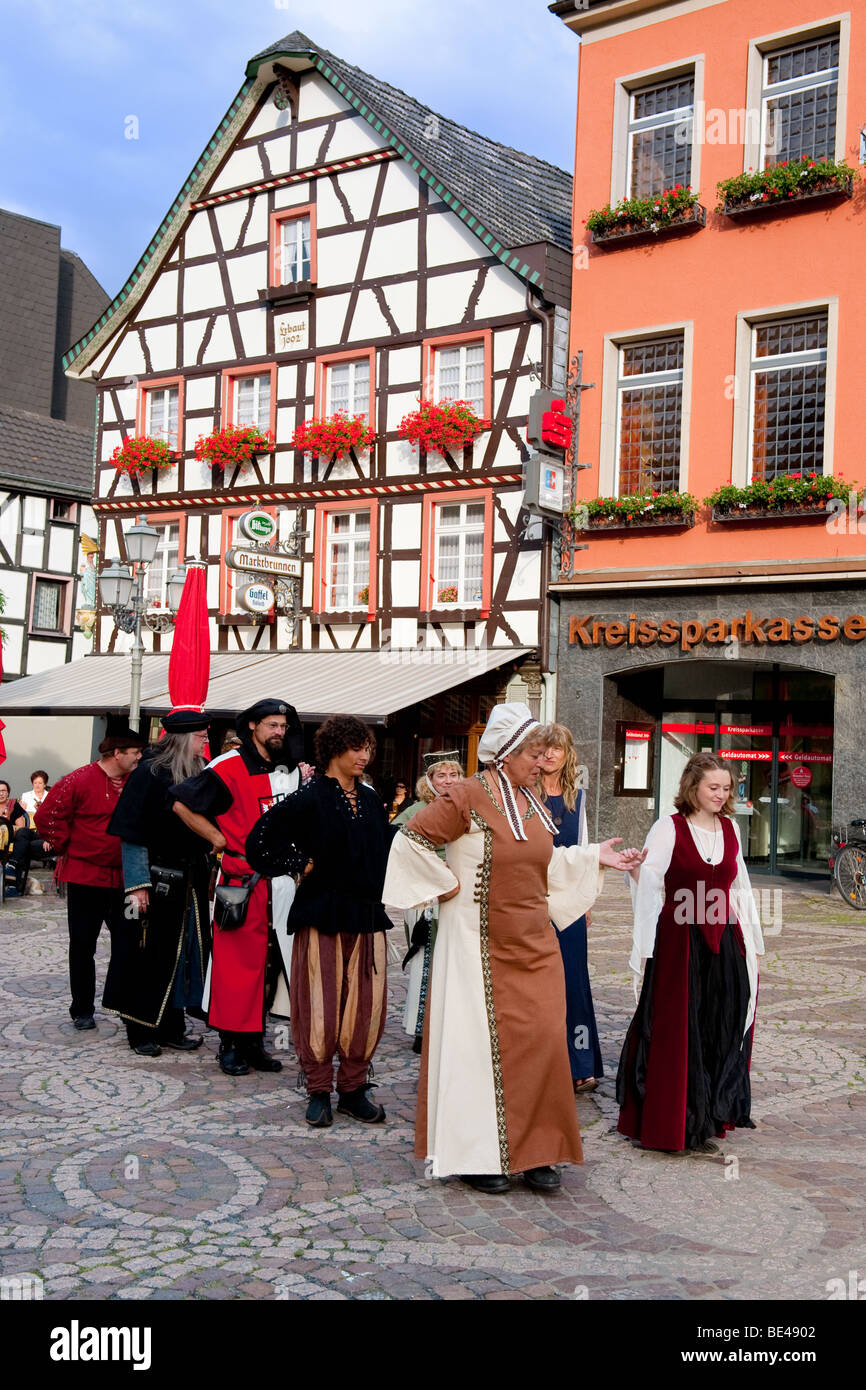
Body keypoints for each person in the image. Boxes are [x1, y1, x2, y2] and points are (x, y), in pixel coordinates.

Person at [383, 702, 645, 1194]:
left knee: (544, 1043)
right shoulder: (465, 795)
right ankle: (479, 1154)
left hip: (535, 943)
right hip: (474, 944)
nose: (543, 758)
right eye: (533, 750)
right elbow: (409, 841)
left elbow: (542, 866)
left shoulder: (532, 802)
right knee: (478, 1048)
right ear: (505, 753)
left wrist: (595, 857)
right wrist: (448, 888)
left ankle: (538, 1150)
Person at [246, 715, 395, 1128]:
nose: (364, 755)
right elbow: (259, 842)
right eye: (356, 748)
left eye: (368, 748)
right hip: (321, 913)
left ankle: (352, 1089)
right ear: (334, 750)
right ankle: (318, 1090)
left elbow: (385, 851)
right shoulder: (309, 797)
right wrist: (298, 863)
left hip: (366, 915)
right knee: (320, 1005)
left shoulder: (368, 800)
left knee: (364, 1007)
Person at [616, 751, 764, 1154]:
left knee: (720, 1024)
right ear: (693, 788)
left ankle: (707, 1116)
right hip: (679, 941)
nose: (721, 794)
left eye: (726, 788)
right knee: (680, 1029)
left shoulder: (731, 828)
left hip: (723, 938)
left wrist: (750, 941)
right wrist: (645, 947)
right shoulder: (669, 828)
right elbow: (649, 883)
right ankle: (674, 1122)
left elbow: (740, 889)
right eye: (713, 787)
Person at [171, 698, 305, 1076]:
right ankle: (229, 1045)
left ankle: (254, 1044)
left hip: (281, 884)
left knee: (270, 967)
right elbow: (182, 803)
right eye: (272, 725)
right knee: (234, 968)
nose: (279, 732)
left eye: (283, 726)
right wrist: (217, 837)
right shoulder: (227, 767)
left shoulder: (291, 770)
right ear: (253, 727)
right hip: (241, 885)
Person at [102, 708, 215, 1057]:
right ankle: (140, 1029)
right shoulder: (148, 773)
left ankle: (171, 1026)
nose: (206, 741)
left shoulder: (196, 772)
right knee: (143, 954)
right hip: (152, 881)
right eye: (201, 736)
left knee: (181, 955)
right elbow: (131, 834)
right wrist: (137, 886)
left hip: (189, 881)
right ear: (183, 739)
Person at [35, 730, 148, 1030]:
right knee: (83, 945)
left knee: (129, 944)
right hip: (86, 879)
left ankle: (126, 1008)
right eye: (135, 752)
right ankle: (82, 1008)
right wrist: (67, 844)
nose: (140, 757)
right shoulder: (78, 780)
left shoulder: (136, 782)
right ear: (116, 753)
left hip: (127, 881)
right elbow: (47, 816)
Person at [540, 726, 604, 1093]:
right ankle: (542, 1062)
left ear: (567, 754)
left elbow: (582, 850)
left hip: (568, 902)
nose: (550, 754)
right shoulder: (521, 794)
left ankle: (580, 1063)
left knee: (574, 982)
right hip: (531, 899)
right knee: (537, 982)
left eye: (557, 748)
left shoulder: (575, 797)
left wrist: (585, 900)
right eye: (545, 748)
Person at [392, 751, 464, 1053]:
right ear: (429, 780)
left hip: (456, 895)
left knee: (452, 962)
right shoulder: (416, 811)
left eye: (453, 775)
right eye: (441, 775)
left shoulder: (464, 808)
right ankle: (421, 1029)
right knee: (426, 962)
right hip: (426, 897)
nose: (448, 781)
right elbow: (400, 850)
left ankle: (447, 1024)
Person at [0, 780, 29, 897]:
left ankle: (11, 883)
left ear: (8, 793)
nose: (0, 793)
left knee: (23, 836)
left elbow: (21, 827)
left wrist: (9, 828)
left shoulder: (13, 805)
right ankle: (11, 886)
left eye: (3, 791)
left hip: (12, 840)